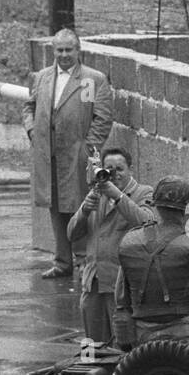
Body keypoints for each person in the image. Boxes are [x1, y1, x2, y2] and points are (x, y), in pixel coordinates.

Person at [22, 29, 113, 278]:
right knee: (55, 206)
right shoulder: (42, 77)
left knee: (81, 206)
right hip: (48, 154)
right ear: (53, 51)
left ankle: (85, 261)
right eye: (59, 50)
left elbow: (103, 119)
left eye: (68, 50)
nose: (63, 55)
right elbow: (29, 106)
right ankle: (62, 261)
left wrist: (87, 148)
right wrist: (33, 132)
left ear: (78, 50)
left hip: (77, 155)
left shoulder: (93, 79)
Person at [113, 176, 189, 354]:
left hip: (140, 337)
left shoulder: (129, 241)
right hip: (185, 336)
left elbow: (121, 299)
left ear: (156, 206)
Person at [67, 147, 155, 343]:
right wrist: (84, 210)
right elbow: (71, 234)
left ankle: (118, 373)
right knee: (91, 345)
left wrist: (118, 196)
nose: (114, 174)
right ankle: (89, 370)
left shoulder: (143, 192)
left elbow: (147, 224)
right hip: (93, 284)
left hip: (122, 287)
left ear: (131, 169)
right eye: (109, 169)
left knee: (122, 345)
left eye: (119, 169)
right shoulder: (98, 192)